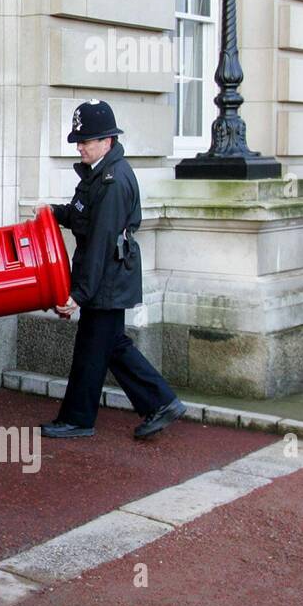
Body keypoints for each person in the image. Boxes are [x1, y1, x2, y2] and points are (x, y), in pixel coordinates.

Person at [43, 100, 186, 440]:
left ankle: (80, 419)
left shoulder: (112, 182)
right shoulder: (100, 174)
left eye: (86, 141)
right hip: (107, 279)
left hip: (106, 280)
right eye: (79, 140)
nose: (79, 146)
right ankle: (160, 402)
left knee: (94, 349)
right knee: (110, 346)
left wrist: (78, 295)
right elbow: (82, 215)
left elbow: (101, 244)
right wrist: (53, 211)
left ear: (106, 141)